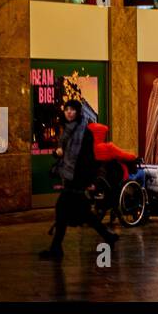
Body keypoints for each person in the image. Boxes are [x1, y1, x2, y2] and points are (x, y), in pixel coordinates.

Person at [40, 100, 119, 260]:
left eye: (72, 110)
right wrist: (58, 153)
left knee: (62, 209)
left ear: (78, 112)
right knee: (84, 214)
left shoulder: (85, 132)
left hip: (78, 178)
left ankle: (56, 249)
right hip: (70, 176)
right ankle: (108, 236)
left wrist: (86, 180)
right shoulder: (68, 130)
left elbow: (88, 158)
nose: (69, 112)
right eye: (66, 109)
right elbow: (65, 154)